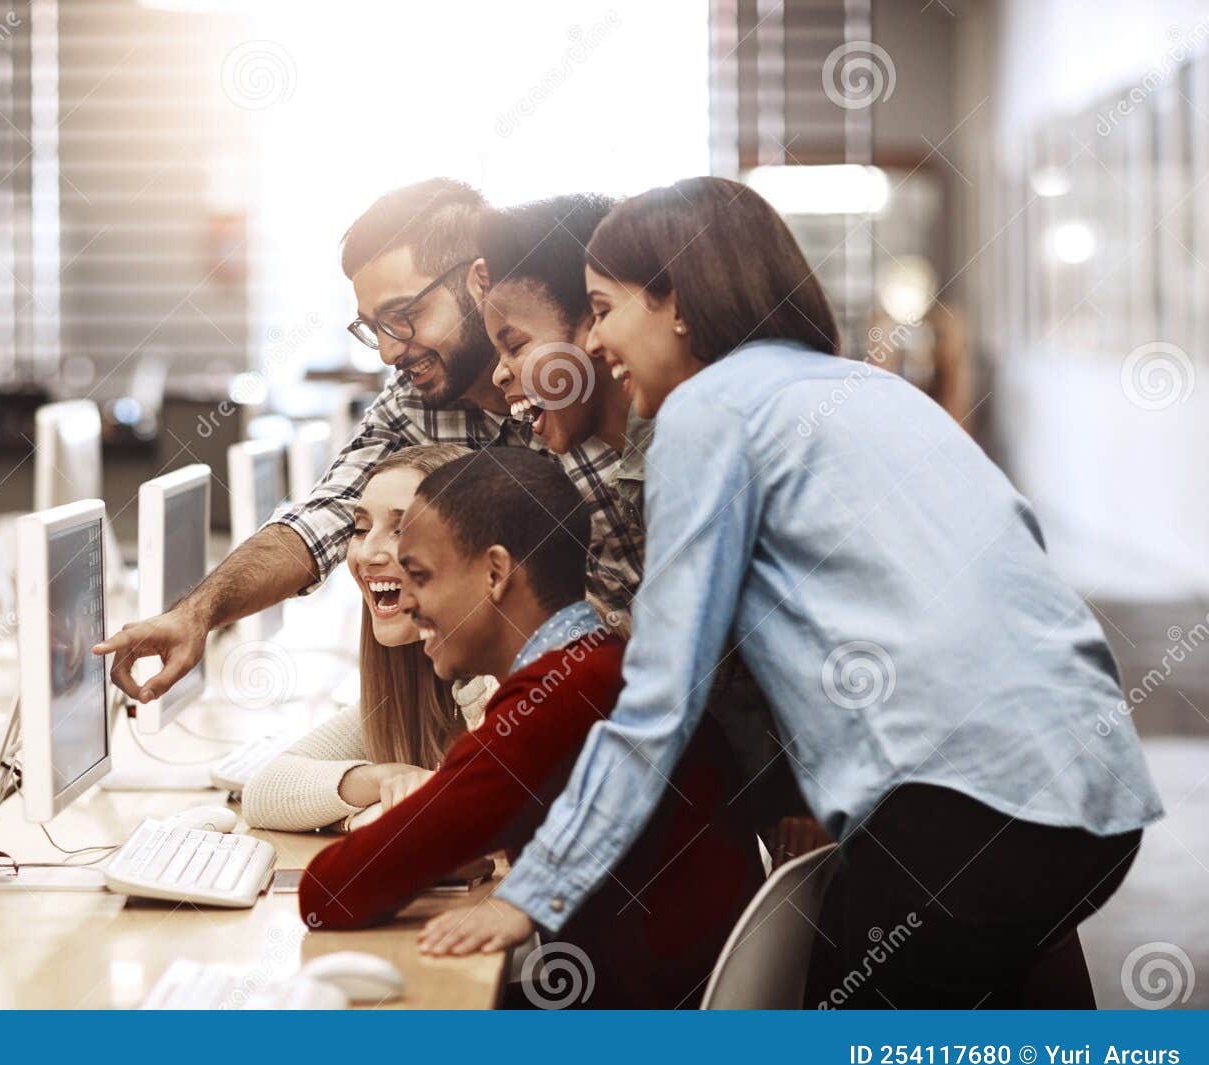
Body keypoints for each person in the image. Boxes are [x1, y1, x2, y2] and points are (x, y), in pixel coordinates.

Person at [419, 177, 1164, 1011]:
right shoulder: (866, 389)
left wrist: (534, 893)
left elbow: (661, 695)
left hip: (953, 811)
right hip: (1094, 798)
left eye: (604, 308)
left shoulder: (709, 412)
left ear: (677, 303)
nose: (597, 341)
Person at [95, 179, 645, 703]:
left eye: (403, 317)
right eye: (372, 328)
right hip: (561, 703)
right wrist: (198, 613)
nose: (387, 351)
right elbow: (323, 519)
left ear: (476, 280)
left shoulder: (598, 387)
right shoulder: (413, 403)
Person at [300, 448, 763, 1009]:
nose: (412, 602)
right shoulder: (598, 663)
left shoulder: (555, 701)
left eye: (420, 575)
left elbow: (330, 891)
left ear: (495, 573)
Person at [479, 191, 827, 860]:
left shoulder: (700, 438)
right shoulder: (605, 459)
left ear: (592, 325)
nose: (499, 374)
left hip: (856, 807)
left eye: (514, 344)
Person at [240, 445, 495, 831]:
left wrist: (361, 819)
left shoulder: (523, 688)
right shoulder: (420, 683)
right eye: (361, 530)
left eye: (403, 529)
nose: (369, 552)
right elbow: (264, 793)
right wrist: (382, 779)